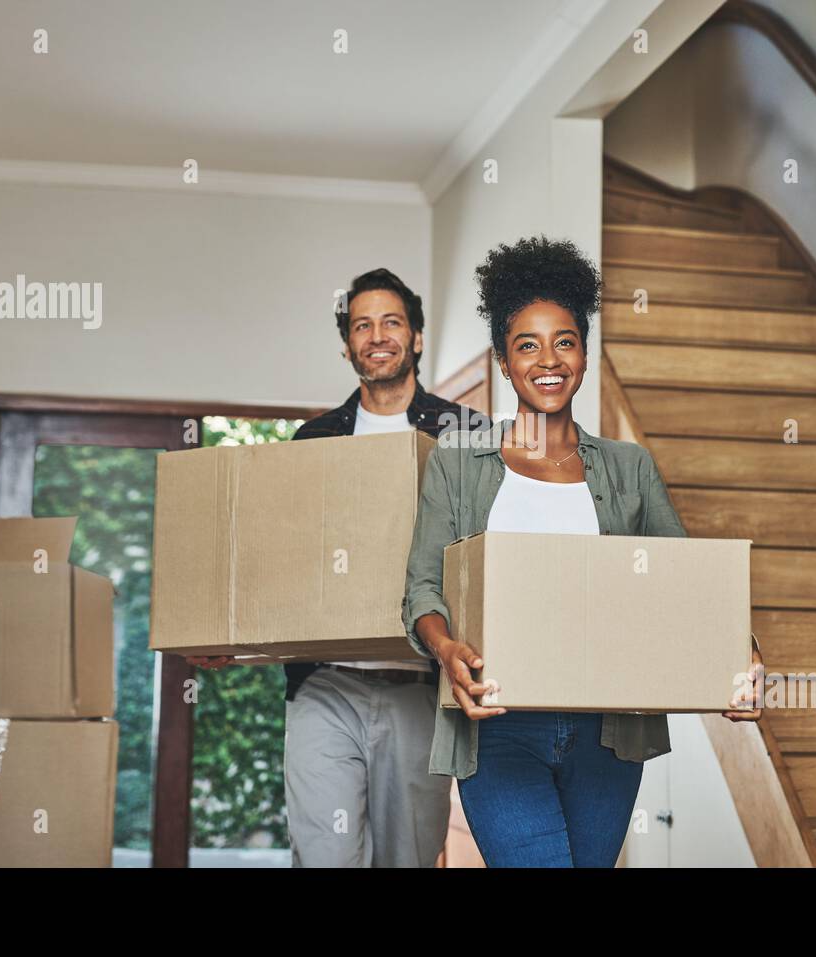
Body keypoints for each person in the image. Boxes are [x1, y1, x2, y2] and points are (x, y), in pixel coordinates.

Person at [402, 236, 764, 868]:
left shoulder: (630, 468)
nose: (548, 359)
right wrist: (446, 647)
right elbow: (423, 588)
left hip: (610, 730)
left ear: (586, 355)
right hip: (497, 724)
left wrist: (741, 655)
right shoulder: (458, 465)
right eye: (527, 345)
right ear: (504, 362)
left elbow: (687, 585)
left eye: (564, 341)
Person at [190, 267, 488, 867]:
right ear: (347, 344)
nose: (377, 335)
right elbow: (282, 560)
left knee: (408, 859)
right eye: (362, 325)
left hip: (420, 687)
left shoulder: (465, 434)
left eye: (392, 322)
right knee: (325, 855)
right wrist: (229, 634)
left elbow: (483, 555)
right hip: (325, 687)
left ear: (418, 338)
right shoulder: (314, 438)